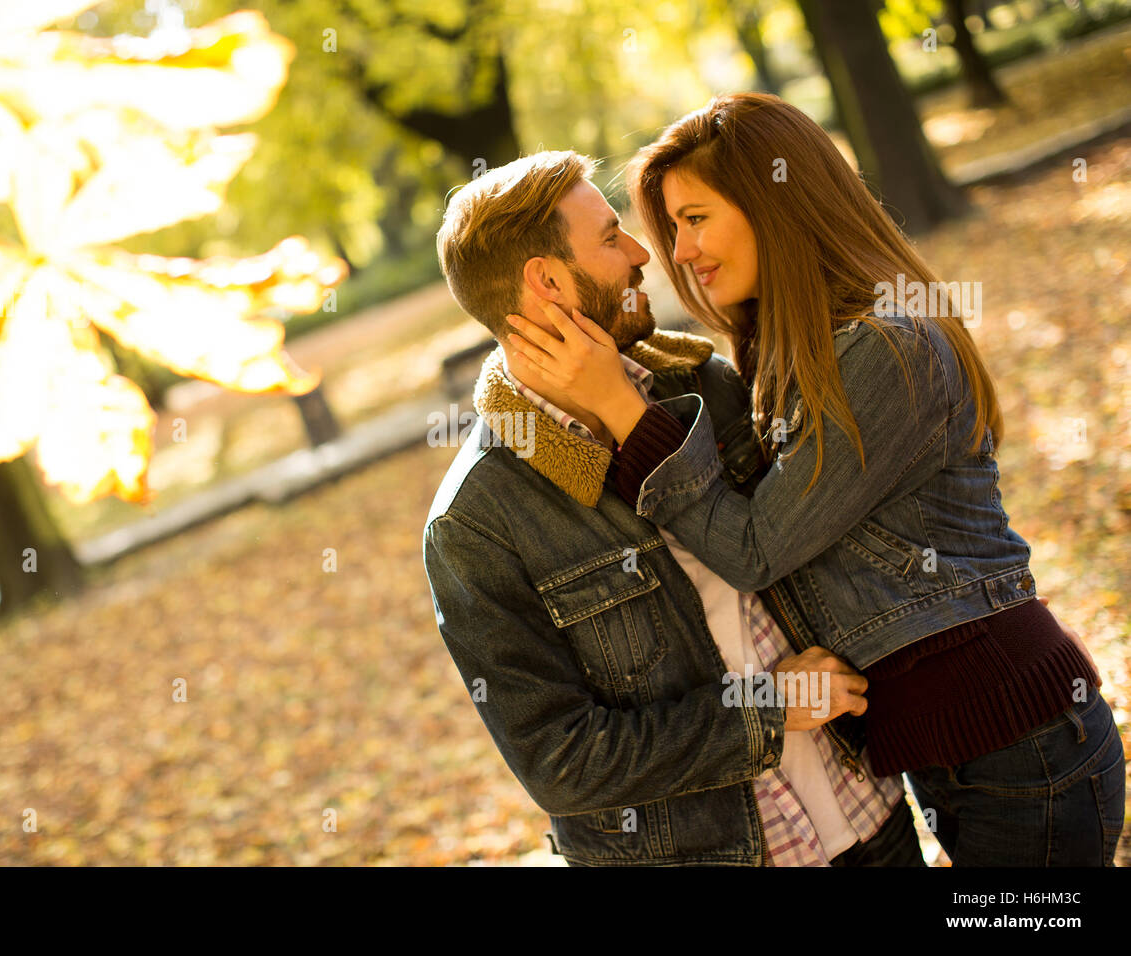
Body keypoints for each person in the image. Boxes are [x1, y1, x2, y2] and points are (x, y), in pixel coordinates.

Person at [503, 93, 1125, 866]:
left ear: (773, 200)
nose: (678, 252)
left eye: (695, 218)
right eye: (671, 228)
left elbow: (759, 548)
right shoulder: (784, 352)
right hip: (954, 759)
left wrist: (622, 410)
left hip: (1020, 749)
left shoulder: (885, 350)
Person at [424, 149, 926, 866]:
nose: (641, 254)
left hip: (871, 815)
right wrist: (767, 712)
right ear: (548, 281)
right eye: (609, 238)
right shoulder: (475, 524)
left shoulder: (705, 386)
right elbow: (563, 763)